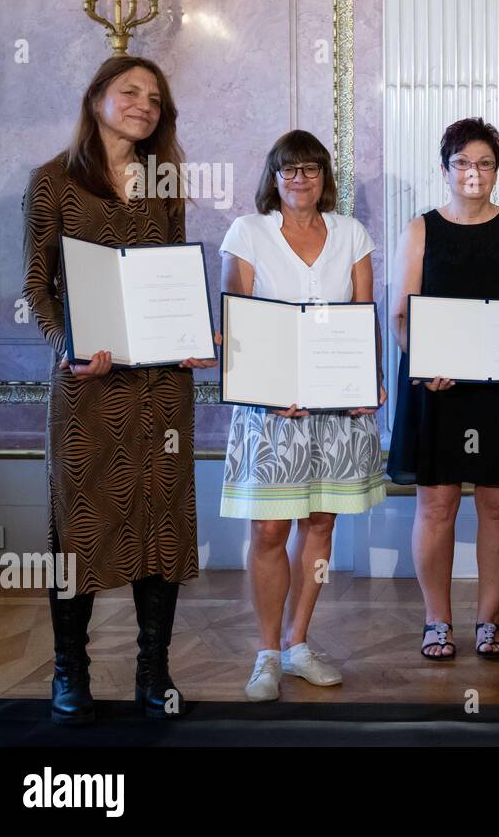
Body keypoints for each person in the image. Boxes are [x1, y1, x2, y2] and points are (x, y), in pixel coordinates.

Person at [21, 55, 216, 725]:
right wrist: (66, 348)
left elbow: (172, 273)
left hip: (162, 389)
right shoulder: (53, 181)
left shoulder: (166, 182)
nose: (144, 104)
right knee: (81, 531)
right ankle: (68, 669)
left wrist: (195, 334)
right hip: (89, 389)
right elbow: (36, 287)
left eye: (156, 98)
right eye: (130, 91)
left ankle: (152, 668)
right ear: (96, 96)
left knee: (159, 527)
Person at [219, 130, 386, 702]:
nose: (299, 180)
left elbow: (366, 315)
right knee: (269, 528)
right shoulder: (248, 231)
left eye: (311, 169)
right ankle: (266, 654)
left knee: (321, 523)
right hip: (270, 407)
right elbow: (236, 319)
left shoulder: (352, 234)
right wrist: (265, 387)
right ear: (273, 177)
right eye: (288, 170)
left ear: (324, 178)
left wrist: (373, 382)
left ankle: (298, 643)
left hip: (338, 405)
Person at [387, 117, 499, 660]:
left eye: (484, 163)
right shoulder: (420, 230)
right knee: (435, 504)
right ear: (444, 169)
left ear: (496, 171)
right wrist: (423, 359)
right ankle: (437, 621)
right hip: (437, 386)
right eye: (462, 162)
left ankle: (489, 620)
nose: (474, 173)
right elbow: (399, 314)